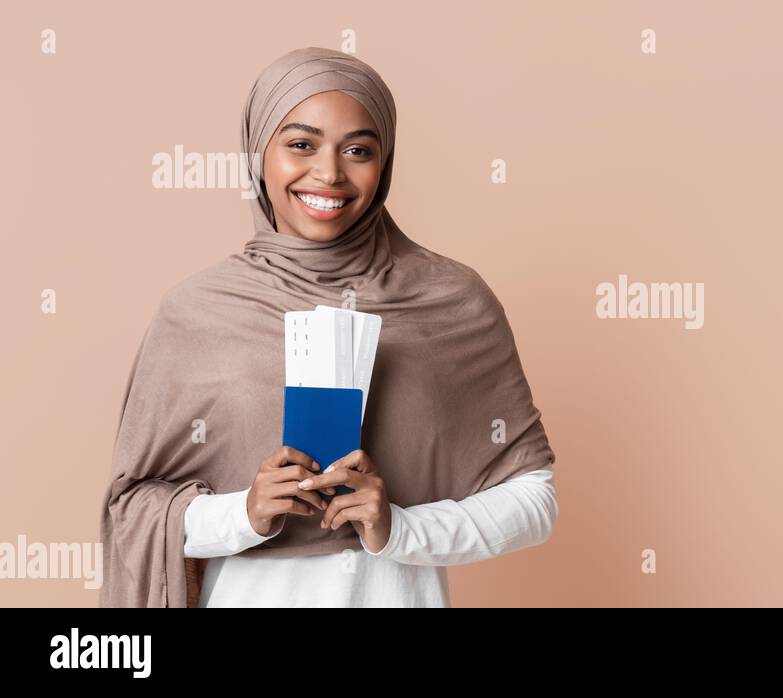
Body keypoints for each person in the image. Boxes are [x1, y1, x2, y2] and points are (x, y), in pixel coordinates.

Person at [99, 47, 557, 607]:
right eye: (300, 144)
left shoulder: (454, 300)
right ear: (258, 153)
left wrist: (399, 528)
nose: (329, 173)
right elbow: (134, 509)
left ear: (383, 163)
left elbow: (535, 500)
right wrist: (244, 513)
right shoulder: (199, 311)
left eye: (358, 150)